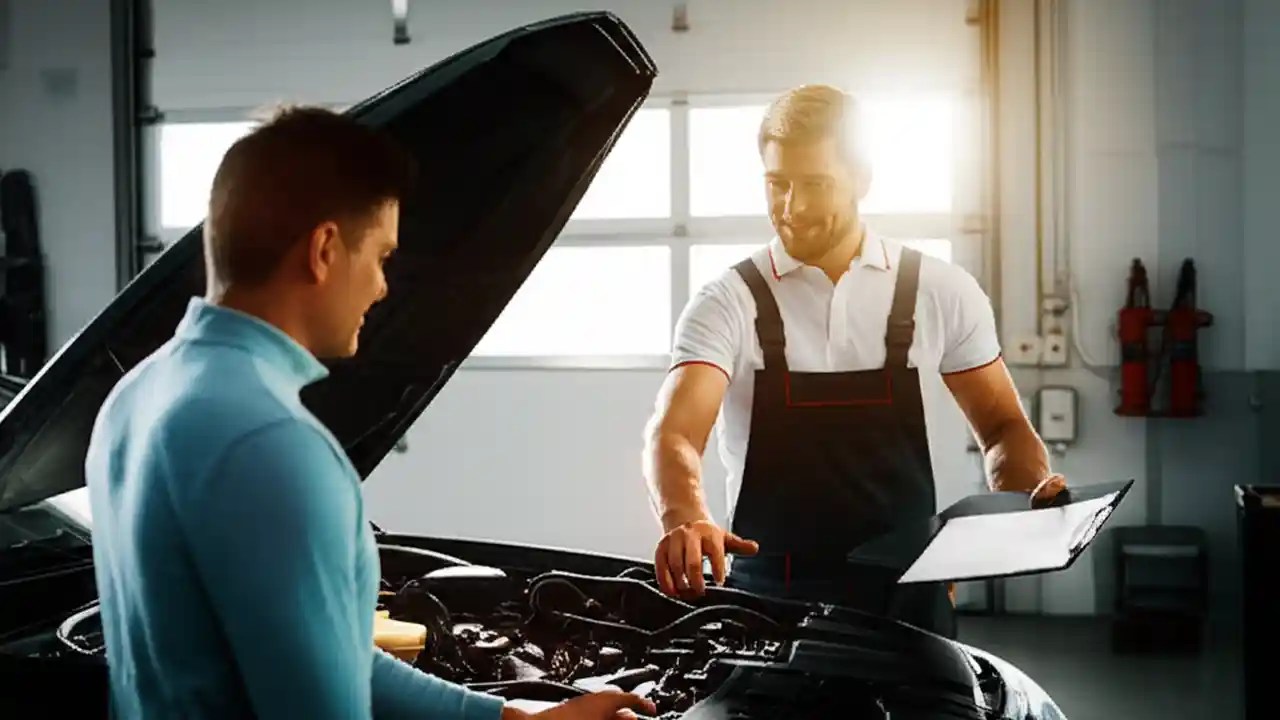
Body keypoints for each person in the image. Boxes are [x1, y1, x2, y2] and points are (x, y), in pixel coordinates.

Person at [85, 107, 654, 720]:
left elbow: (335, 658)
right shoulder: (274, 443)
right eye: (381, 256)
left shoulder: (132, 399)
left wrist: (515, 719)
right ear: (325, 250)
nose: (383, 287)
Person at [641, 85, 1067, 638]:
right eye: (777, 184)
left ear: (862, 179)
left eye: (815, 185)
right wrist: (686, 516)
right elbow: (675, 433)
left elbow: (1003, 426)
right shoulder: (729, 301)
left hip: (910, 603)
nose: (791, 208)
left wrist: (1020, 502)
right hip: (767, 603)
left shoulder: (939, 290)